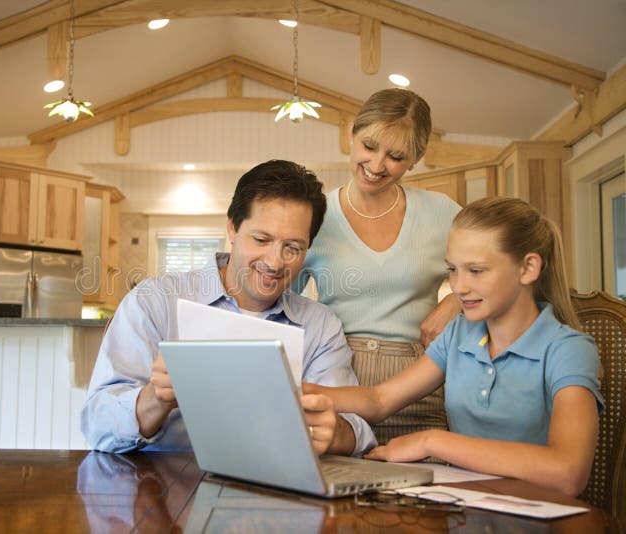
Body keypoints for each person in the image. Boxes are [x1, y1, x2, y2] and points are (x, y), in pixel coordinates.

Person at [305, 197, 603, 496]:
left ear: (528, 268)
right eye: (452, 269)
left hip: (536, 509)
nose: (459, 287)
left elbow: (568, 473)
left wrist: (433, 442)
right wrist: (294, 391)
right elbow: (379, 400)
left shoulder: (568, 350)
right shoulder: (459, 333)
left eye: (476, 271)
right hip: (465, 503)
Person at [81, 159, 376, 456]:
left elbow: (358, 430)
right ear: (232, 228)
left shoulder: (320, 325)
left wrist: (335, 434)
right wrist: (155, 399)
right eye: (261, 239)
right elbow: (97, 426)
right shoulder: (153, 302)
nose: (275, 262)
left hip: (273, 477)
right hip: (161, 476)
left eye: (293, 248)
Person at [293, 88, 462, 445]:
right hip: (334, 377)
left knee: (424, 478)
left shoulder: (442, 212)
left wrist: (455, 301)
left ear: (417, 158)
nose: (377, 165)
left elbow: (497, 271)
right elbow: (279, 305)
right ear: (351, 135)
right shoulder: (314, 215)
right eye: (369, 146)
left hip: (418, 384)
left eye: (396, 156)